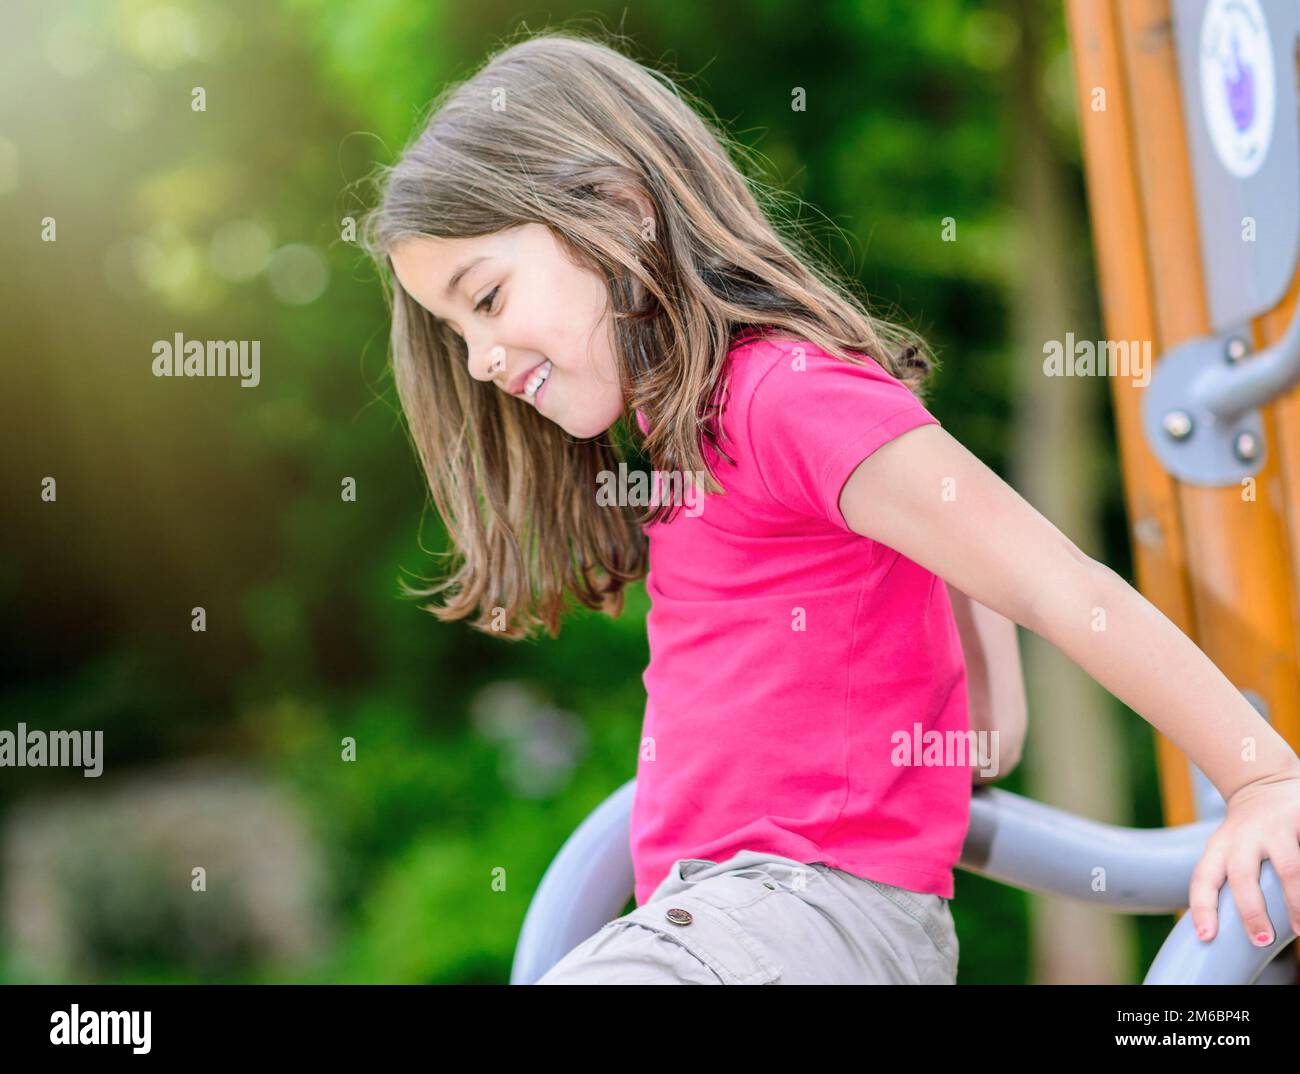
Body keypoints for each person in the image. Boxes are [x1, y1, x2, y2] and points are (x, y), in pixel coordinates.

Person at [358, 29, 1300, 984]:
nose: (477, 359)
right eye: (454, 329)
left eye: (486, 299)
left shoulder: (782, 396)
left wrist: (1262, 779)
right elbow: (987, 736)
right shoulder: (688, 442)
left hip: (801, 912)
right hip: (729, 919)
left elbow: (1057, 587)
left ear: (618, 207)